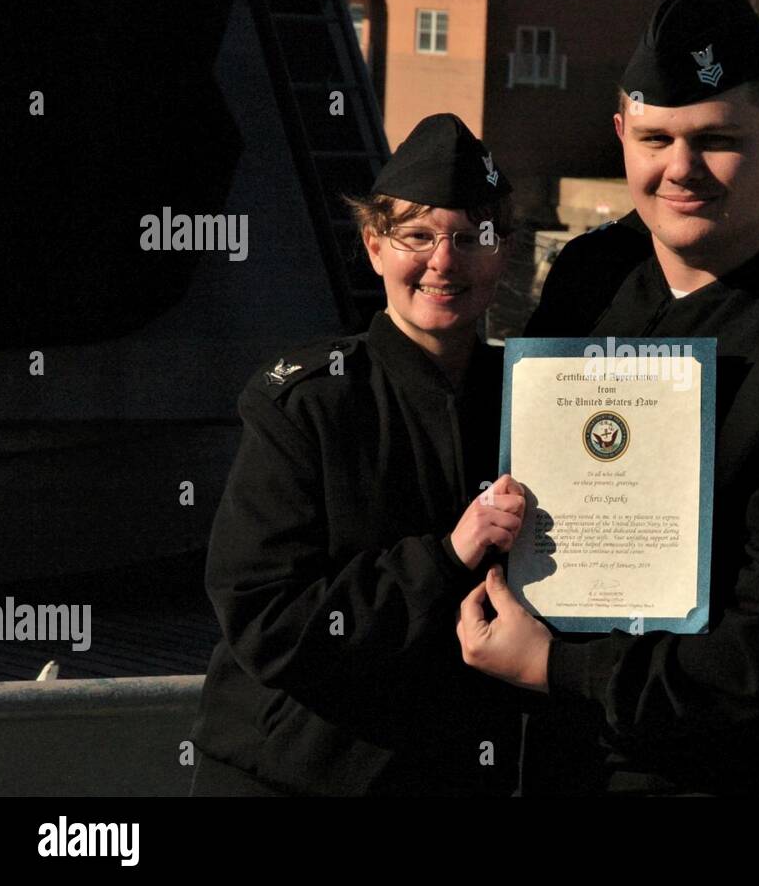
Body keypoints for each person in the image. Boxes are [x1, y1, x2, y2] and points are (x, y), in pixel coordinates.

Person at [455, 0, 759, 796]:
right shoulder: (591, 274)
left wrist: (559, 665)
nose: (681, 169)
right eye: (656, 137)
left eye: (716, 139)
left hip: (733, 773)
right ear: (621, 138)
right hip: (564, 754)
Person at [189, 113, 529, 796]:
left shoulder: (536, 401)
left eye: (470, 238)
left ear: (501, 254)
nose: (443, 261)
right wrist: (443, 559)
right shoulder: (308, 406)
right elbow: (265, 620)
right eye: (418, 236)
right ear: (374, 247)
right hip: (297, 777)